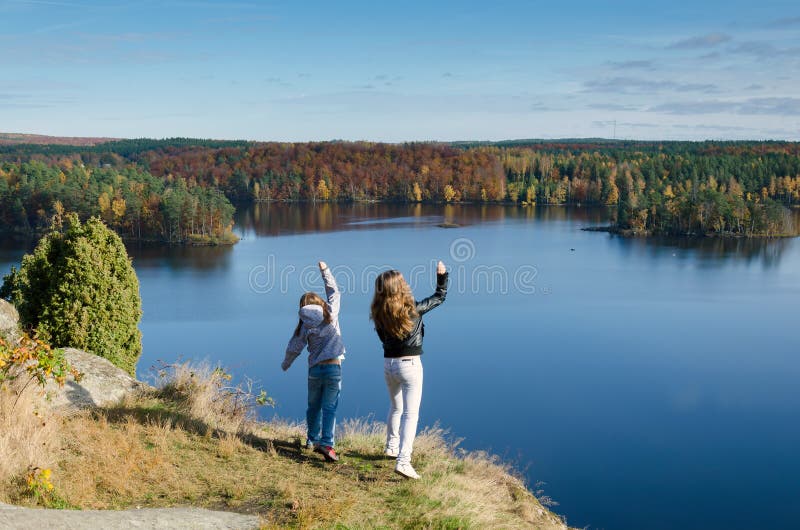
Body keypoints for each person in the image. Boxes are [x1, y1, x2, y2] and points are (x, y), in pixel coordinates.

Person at [370, 260, 448, 479]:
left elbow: (382, 340)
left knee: (396, 408)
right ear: (400, 288)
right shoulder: (413, 310)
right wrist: (442, 277)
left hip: (389, 365)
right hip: (410, 365)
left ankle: (391, 447)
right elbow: (439, 297)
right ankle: (403, 461)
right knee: (410, 414)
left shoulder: (378, 314)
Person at [282, 260, 345, 462]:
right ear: (319, 303)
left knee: (313, 407)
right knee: (329, 407)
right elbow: (335, 291)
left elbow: (294, 347)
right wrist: (325, 271)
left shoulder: (304, 325)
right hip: (333, 368)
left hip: (314, 371)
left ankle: (311, 440)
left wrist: (286, 363)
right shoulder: (331, 315)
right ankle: (327, 445)